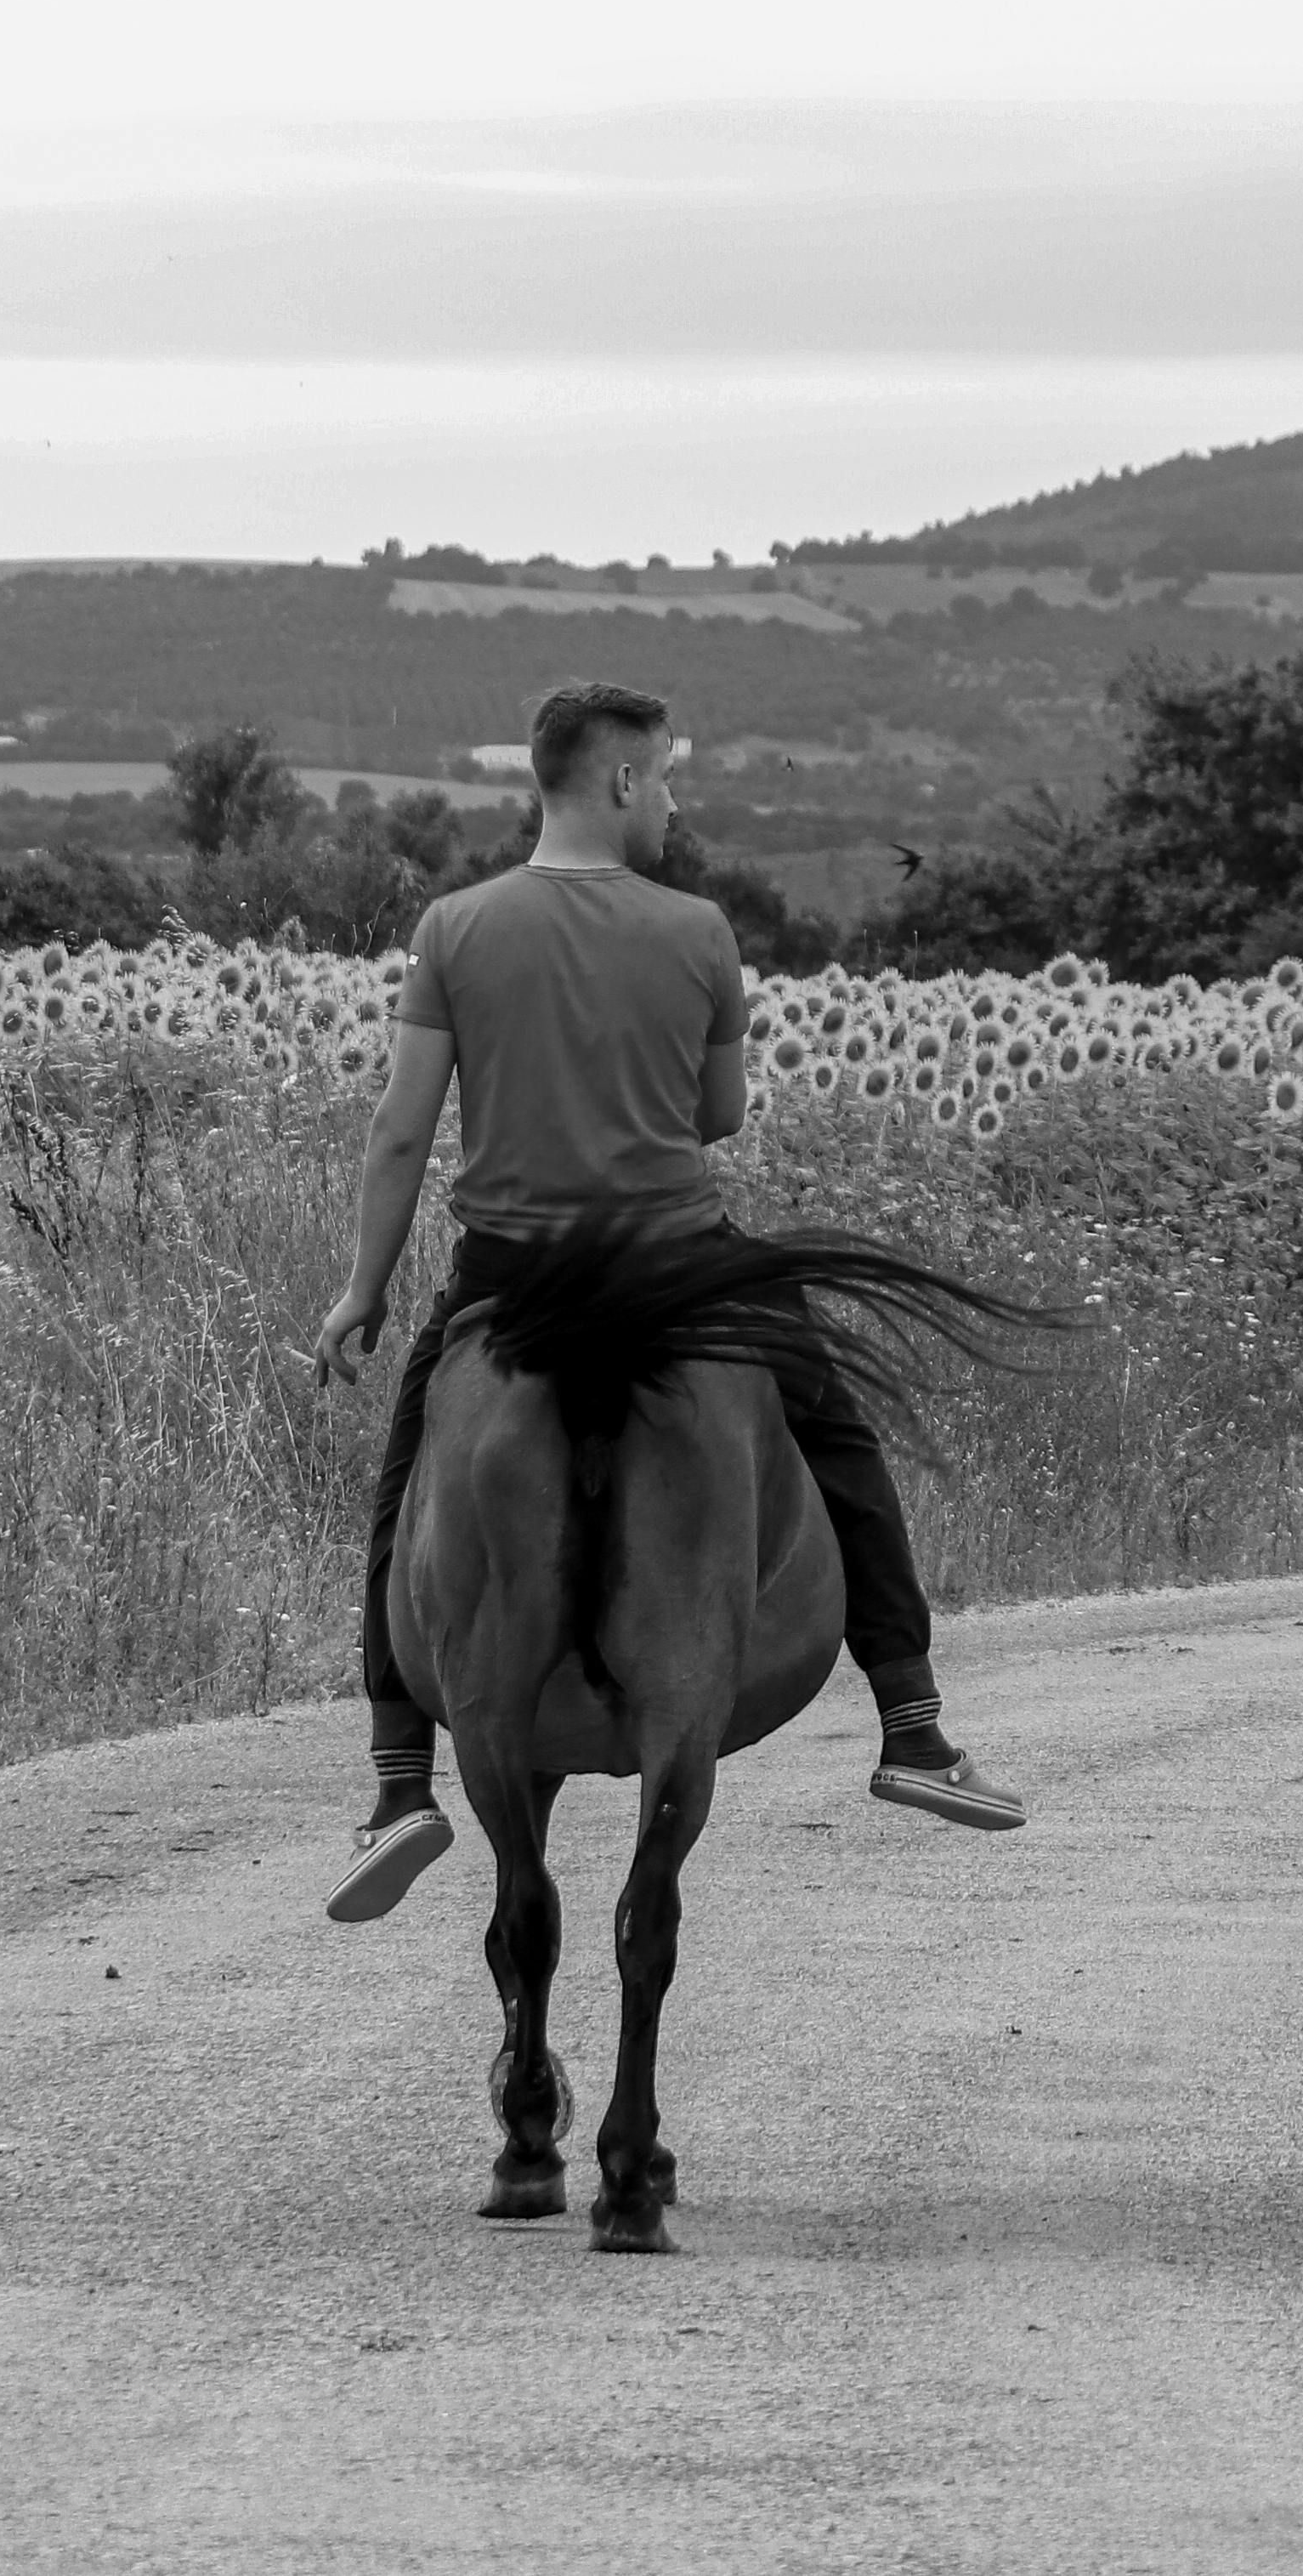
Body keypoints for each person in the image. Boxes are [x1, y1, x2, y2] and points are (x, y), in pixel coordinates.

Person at [314, 676, 1022, 1920]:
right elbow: (719, 1115)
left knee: (407, 1478)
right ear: (623, 779)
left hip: (511, 1272)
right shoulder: (698, 931)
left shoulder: (454, 929)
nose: (676, 804)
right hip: (675, 1260)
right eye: (671, 778)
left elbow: (398, 1133)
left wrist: (365, 1289)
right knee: (838, 1438)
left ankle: (396, 1773)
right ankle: (910, 1721)